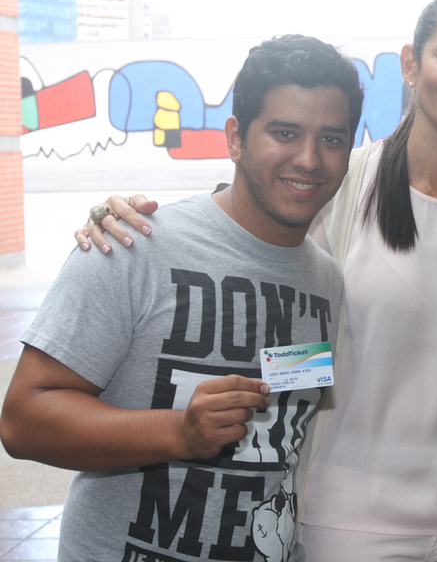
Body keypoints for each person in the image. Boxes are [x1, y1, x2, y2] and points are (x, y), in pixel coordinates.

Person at [73, 0, 437, 561]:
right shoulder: (339, 182)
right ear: (411, 65)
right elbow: (258, 271)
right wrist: (127, 222)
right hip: (351, 519)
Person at [0, 34, 364, 562]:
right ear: (236, 138)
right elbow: (22, 420)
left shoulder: (326, 281)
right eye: (284, 133)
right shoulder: (133, 243)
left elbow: (286, 435)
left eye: (332, 139)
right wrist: (178, 431)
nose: (309, 158)